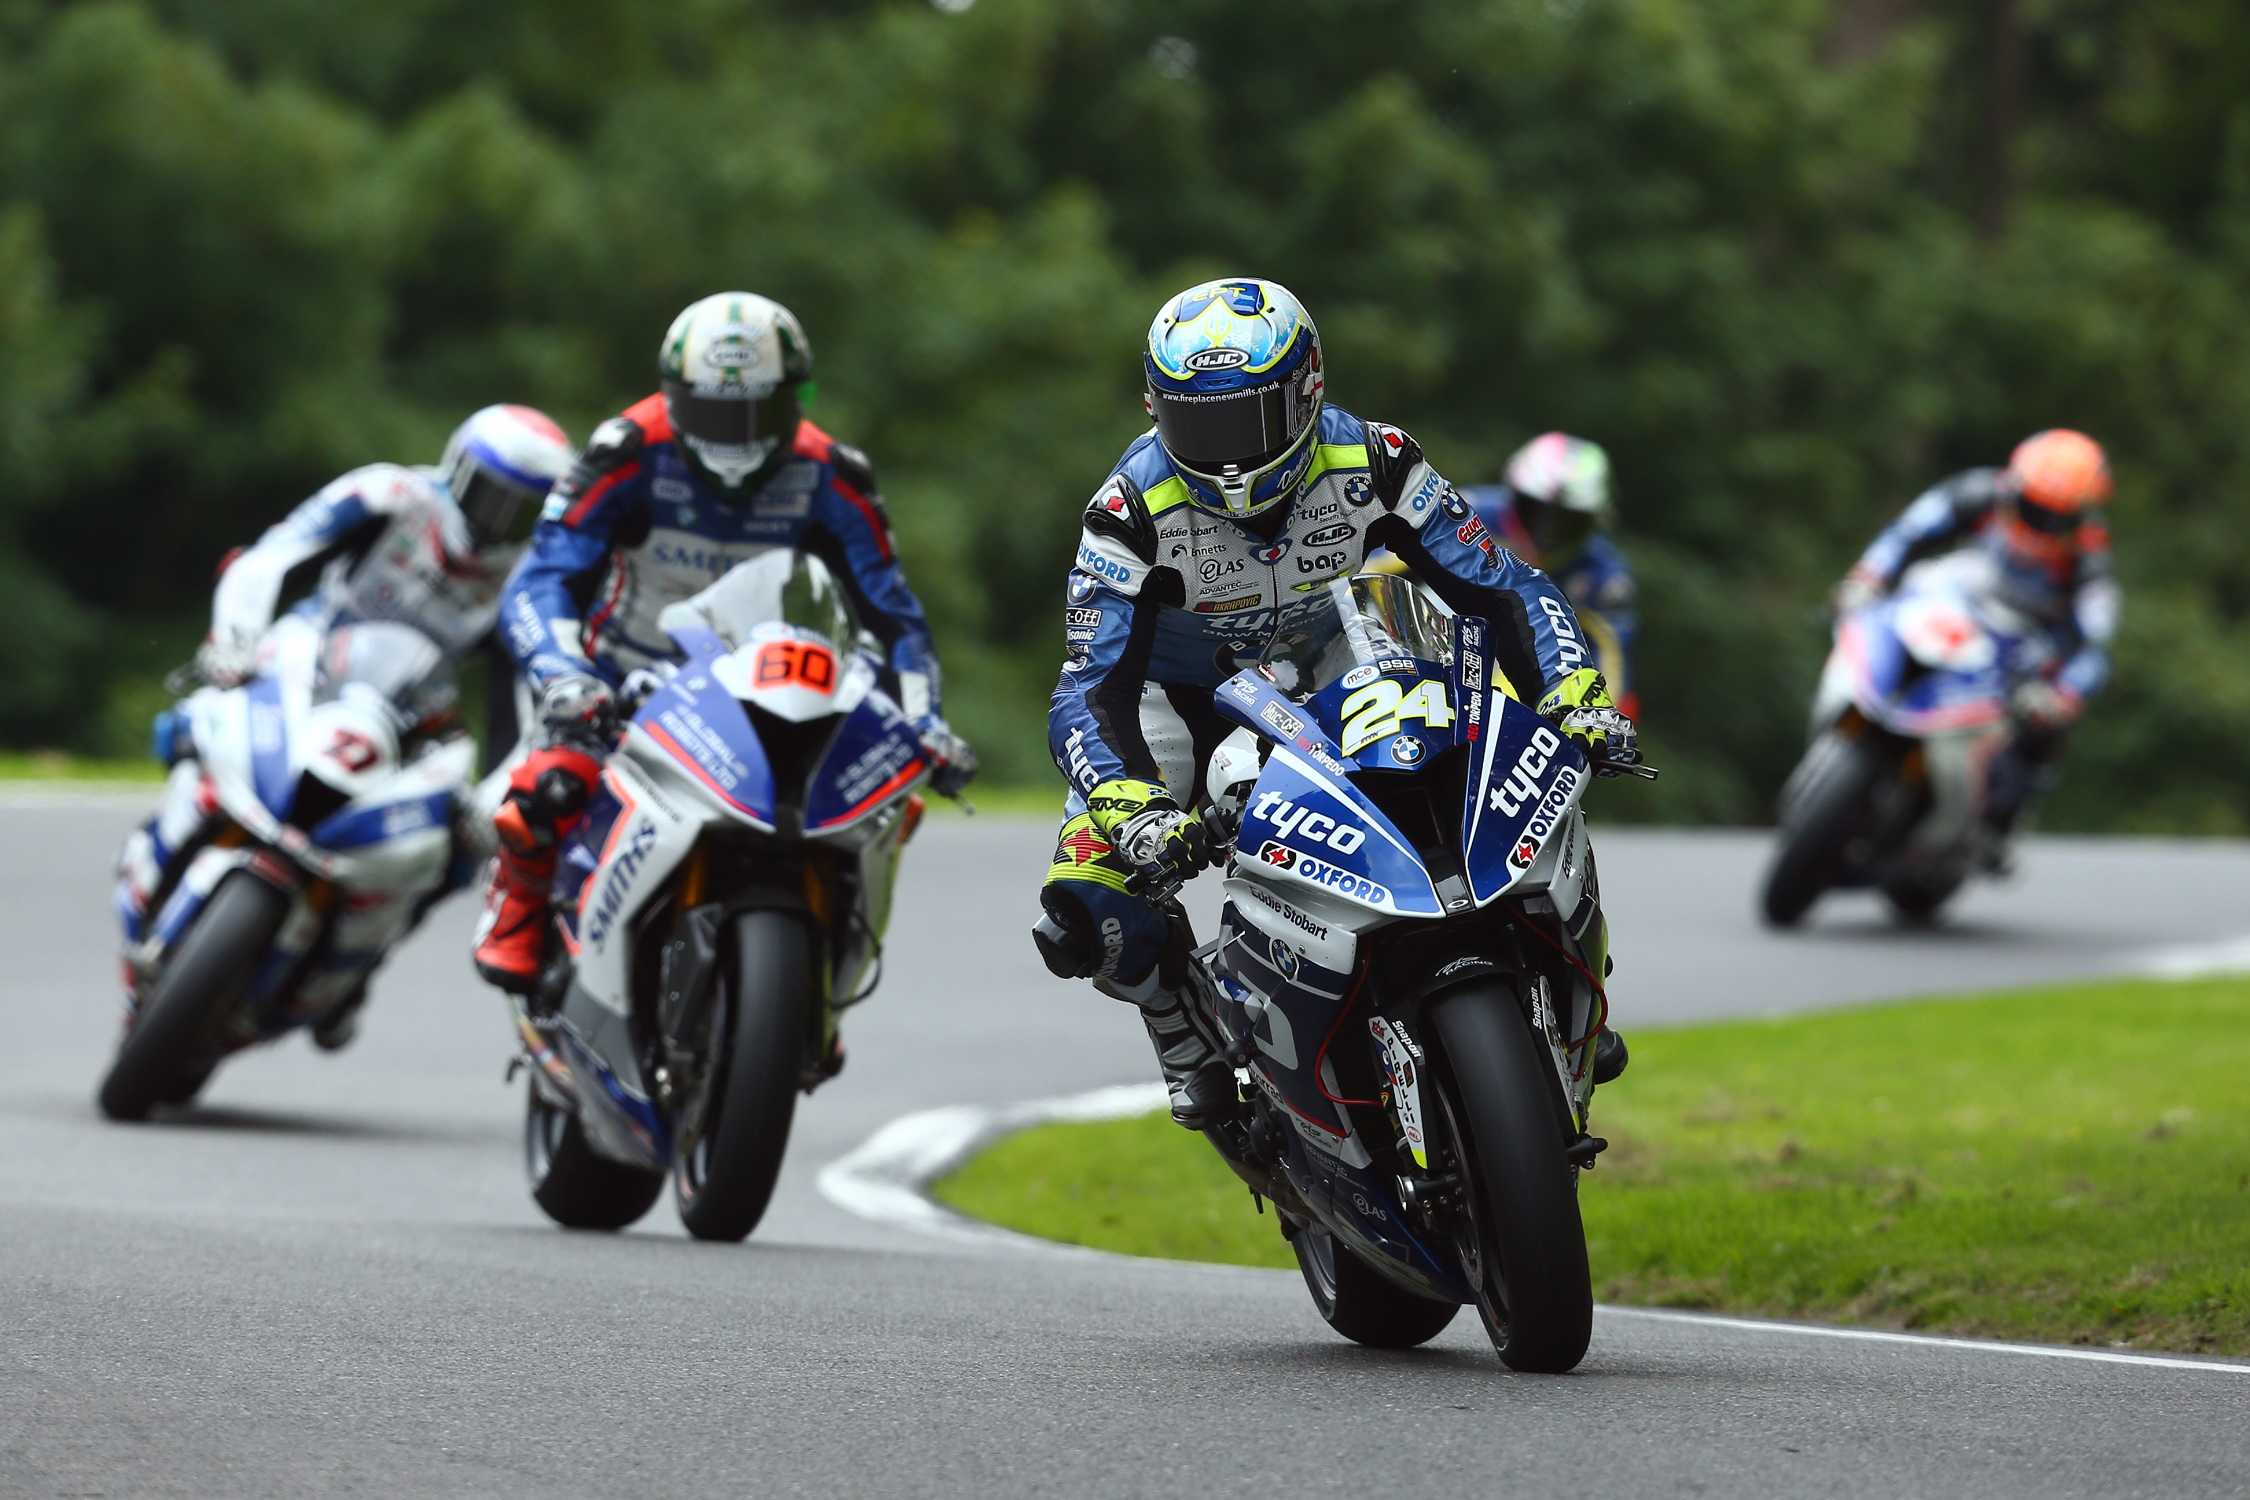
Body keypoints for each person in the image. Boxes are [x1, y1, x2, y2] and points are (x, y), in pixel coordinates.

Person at [1032, 277, 1638, 1127]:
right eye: (1197, 426)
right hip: (1179, 701)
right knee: (1087, 907)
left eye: (1247, 422)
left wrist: (1575, 694)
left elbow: (1504, 588)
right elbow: (1089, 687)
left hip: (1335, 659)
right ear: (1154, 410)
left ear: (1307, 391)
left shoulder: (1379, 459)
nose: (1226, 457)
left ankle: (1567, 991)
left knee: (1512, 772)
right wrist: (1134, 808)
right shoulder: (1128, 510)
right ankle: (1183, 1033)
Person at [471, 291, 976, 992]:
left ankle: (823, 983)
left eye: (758, 414)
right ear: (674, 397)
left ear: (796, 401)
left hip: (768, 680)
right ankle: (519, 907)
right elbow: (543, 576)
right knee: (552, 780)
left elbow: (892, 614)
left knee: (884, 800)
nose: (736, 437)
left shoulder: (834, 474)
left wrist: (925, 719)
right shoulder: (627, 450)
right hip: (625, 676)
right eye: (714, 414)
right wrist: (563, 673)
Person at [124, 404, 576, 1048]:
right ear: (457, 468)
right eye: (490, 496)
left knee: (458, 850)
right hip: (310, 658)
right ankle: (160, 853)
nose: (497, 521)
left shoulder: (527, 578)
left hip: (413, 710)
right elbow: (274, 555)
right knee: (194, 722)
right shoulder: (387, 495)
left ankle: (359, 968)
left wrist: (495, 796)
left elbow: (523, 703)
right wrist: (235, 640)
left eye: (520, 510)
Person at [1834, 428, 2119, 861]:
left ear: (2081, 516)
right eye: (2033, 509)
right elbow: (1906, 534)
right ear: (2013, 487)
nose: (2041, 527)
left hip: (2022, 650)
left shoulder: (2090, 561)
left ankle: (1999, 821)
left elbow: (2095, 647)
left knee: (2043, 728)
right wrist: (1868, 577)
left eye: (2057, 519)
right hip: (1949, 609)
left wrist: (2064, 695)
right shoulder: (1974, 494)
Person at [1479, 433, 1639, 719]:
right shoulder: (1468, 514)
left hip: (1523, 710)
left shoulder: (1603, 577)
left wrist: (1596, 719)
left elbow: (1612, 668)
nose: (1546, 533)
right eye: (1534, 512)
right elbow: (1391, 557)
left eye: (1567, 521)